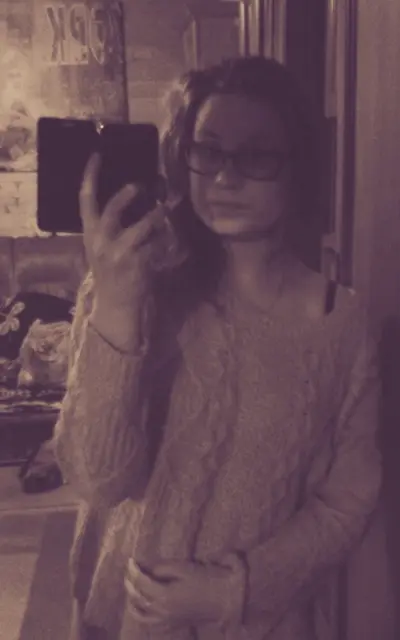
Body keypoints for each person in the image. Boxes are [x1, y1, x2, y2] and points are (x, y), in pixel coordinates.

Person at [53, 56, 382, 640]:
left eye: (256, 155)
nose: (226, 177)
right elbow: (96, 480)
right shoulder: (133, 282)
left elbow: (345, 504)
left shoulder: (344, 325)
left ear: (297, 167)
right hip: (122, 620)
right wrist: (117, 306)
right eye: (207, 151)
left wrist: (237, 590)